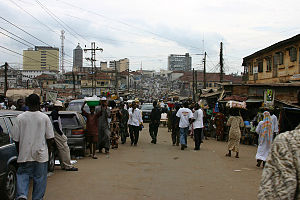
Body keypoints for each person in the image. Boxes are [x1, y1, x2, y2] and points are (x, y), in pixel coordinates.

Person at [10, 94, 55, 200]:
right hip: (41, 154)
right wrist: (48, 154)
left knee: (23, 175)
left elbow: (16, 139)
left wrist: (20, 152)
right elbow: (50, 139)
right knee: (40, 179)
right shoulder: (44, 118)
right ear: (39, 104)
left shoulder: (20, 118)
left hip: (25, 154)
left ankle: (22, 195)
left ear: (27, 104)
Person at [258, 124, 300, 199]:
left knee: (262, 151)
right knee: (265, 152)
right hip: (269, 139)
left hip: (262, 139)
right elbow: (275, 129)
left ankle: (260, 161)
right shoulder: (271, 123)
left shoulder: (288, 141)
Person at [51, 100, 78, 171]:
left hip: (56, 132)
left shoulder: (54, 113)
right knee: (65, 149)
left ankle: (64, 165)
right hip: (56, 133)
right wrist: (61, 134)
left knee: (61, 149)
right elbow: (56, 125)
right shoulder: (54, 113)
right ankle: (68, 166)